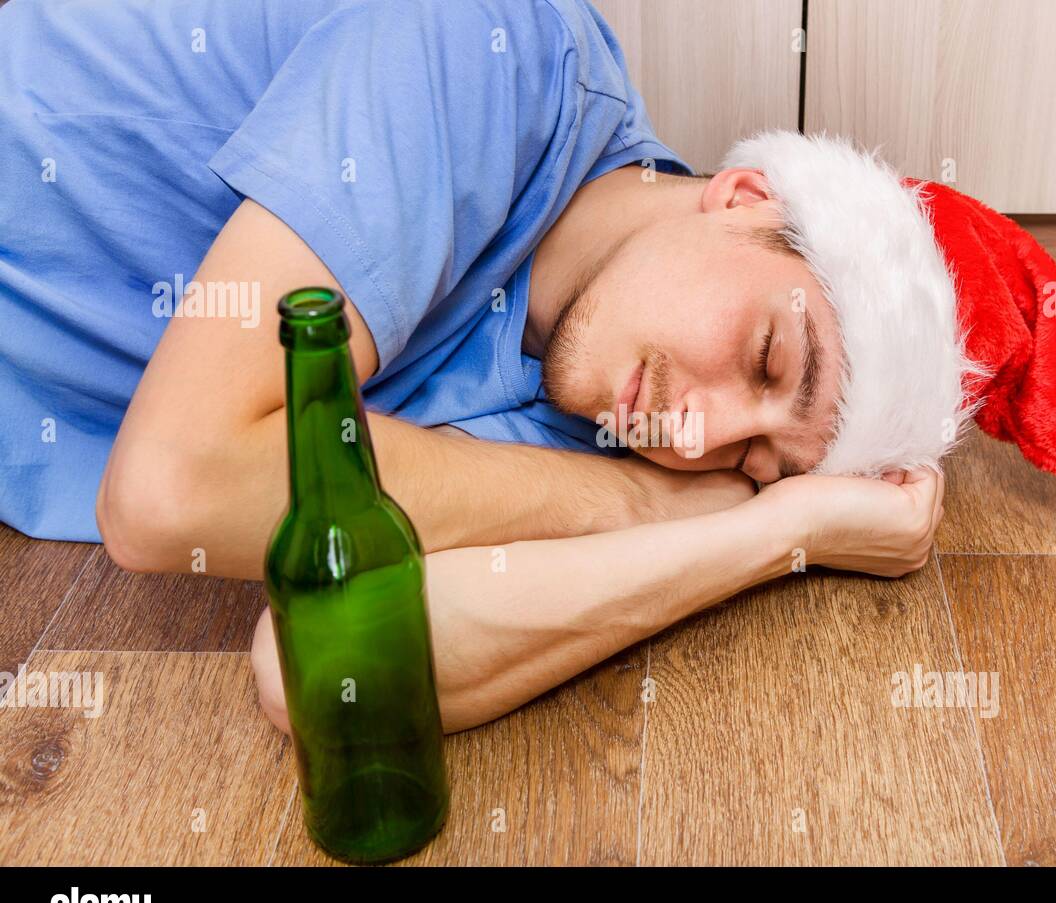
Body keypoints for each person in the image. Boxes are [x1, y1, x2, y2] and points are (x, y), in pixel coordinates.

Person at [0, 0, 947, 733]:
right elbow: (174, 488)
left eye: (756, 467)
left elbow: (319, 669)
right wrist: (637, 509)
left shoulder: (610, 409)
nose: (698, 432)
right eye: (767, 358)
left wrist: (776, 533)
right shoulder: (488, 49)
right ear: (743, 198)